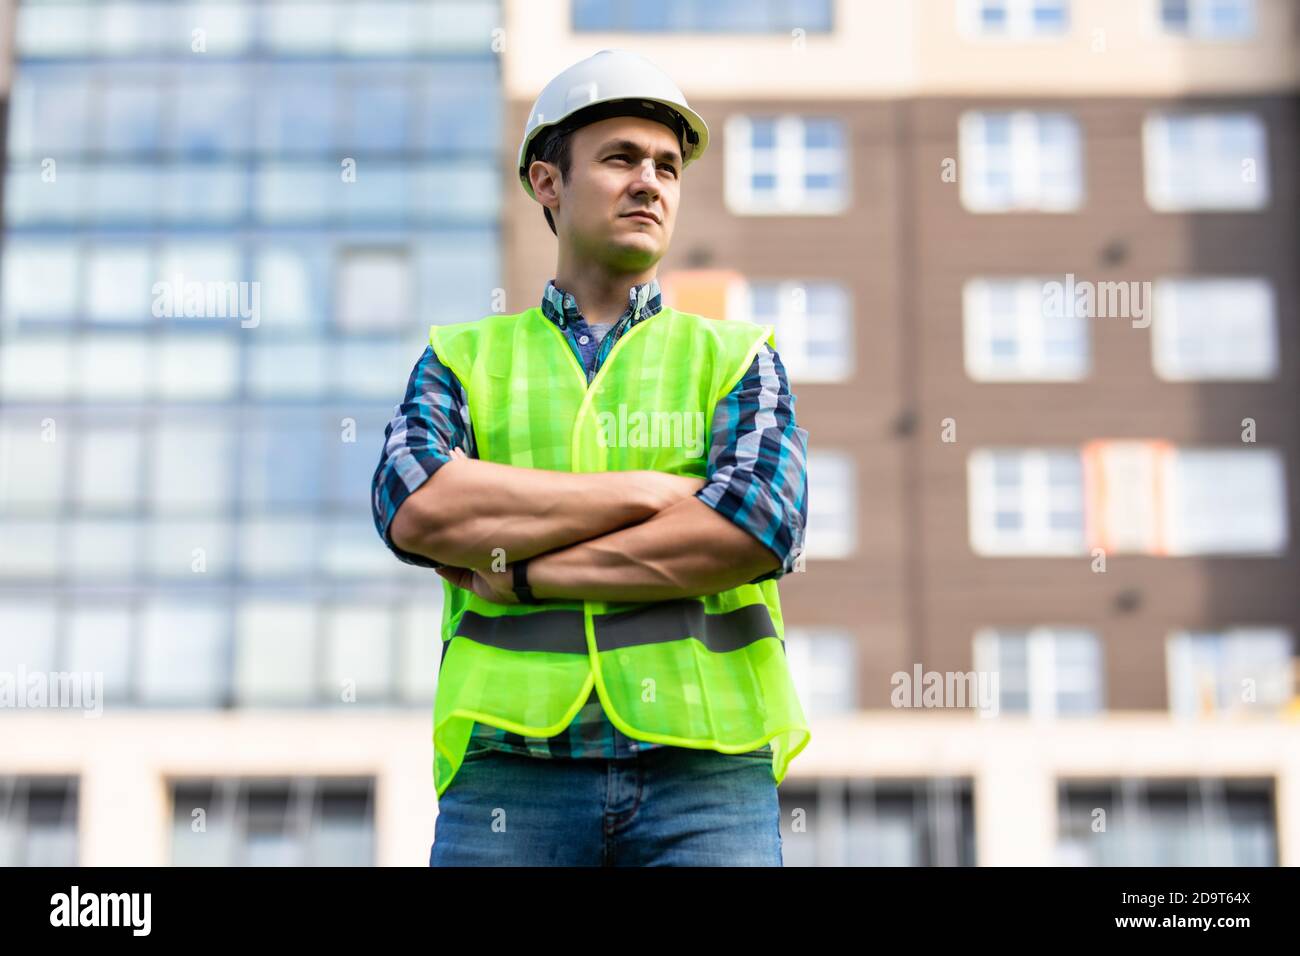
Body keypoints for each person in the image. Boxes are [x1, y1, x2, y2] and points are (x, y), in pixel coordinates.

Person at [371, 49, 811, 866]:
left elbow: (756, 528)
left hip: (707, 774)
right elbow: (416, 509)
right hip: (512, 773)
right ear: (548, 182)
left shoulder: (737, 354)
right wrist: (648, 493)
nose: (650, 181)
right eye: (620, 158)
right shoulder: (465, 355)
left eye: (667, 166)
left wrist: (529, 573)